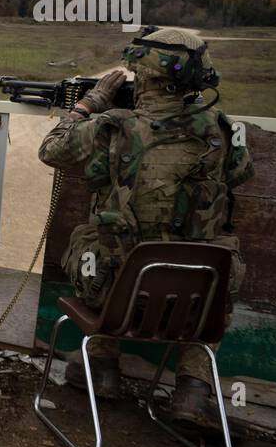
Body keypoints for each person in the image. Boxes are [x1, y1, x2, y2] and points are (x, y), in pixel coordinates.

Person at [38, 27, 253, 424]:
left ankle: (102, 370)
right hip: (196, 302)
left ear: (147, 77)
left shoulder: (112, 127)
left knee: (91, 239)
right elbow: (239, 175)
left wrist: (89, 104)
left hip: (118, 294)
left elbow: (51, 150)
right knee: (215, 254)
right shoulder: (223, 129)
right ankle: (191, 393)